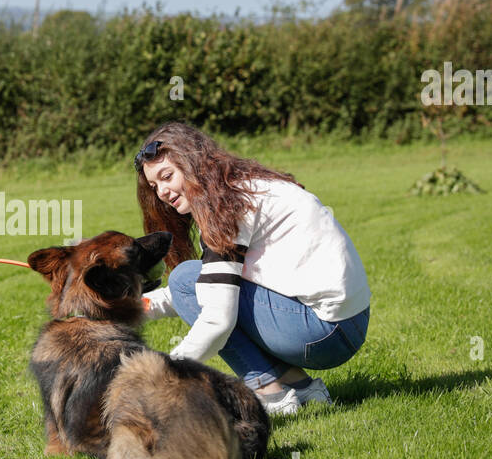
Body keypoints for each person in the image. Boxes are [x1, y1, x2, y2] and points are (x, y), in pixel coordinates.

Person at [135, 121, 371, 415]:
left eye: (167, 176)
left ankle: (270, 394)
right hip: (349, 322)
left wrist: (163, 374)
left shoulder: (228, 206)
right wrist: (132, 307)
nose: (162, 192)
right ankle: (301, 389)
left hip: (324, 332)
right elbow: (204, 286)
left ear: (192, 162)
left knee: (187, 278)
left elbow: (216, 318)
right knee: (193, 281)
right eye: (155, 185)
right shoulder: (242, 186)